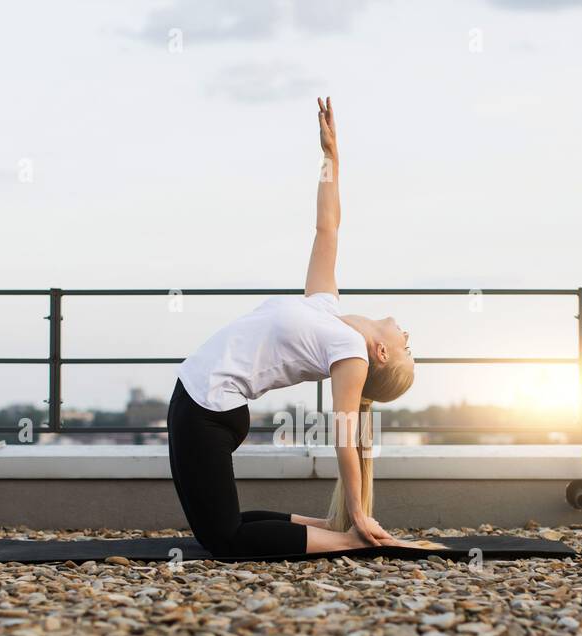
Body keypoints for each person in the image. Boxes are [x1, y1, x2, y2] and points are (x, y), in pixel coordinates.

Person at [168, 97, 418, 557]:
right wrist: (331, 158)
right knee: (224, 526)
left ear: (381, 354)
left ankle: (347, 539)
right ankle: (331, 527)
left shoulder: (350, 350)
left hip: (206, 410)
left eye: (408, 347)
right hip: (203, 404)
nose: (408, 335)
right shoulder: (325, 308)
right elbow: (328, 229)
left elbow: (346, 432)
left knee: (223, 541)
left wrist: (360, 511)